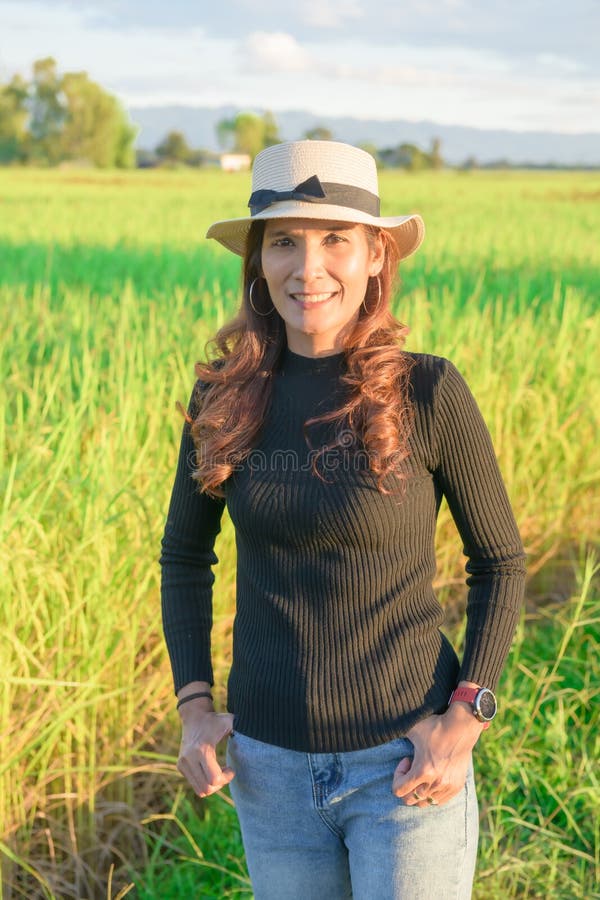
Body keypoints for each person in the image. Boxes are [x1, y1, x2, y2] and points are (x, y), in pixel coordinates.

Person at [159, 140, 526, 899]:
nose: (310, 268)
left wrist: (468, 715)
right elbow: (184, 558)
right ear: (258, 261)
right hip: (270, 771)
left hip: (404, 765)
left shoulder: (428, 392)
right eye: (284, 242)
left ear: (375, 256)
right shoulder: (222, 401)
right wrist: (195, 708)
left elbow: (500, 561)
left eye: (336, 240)